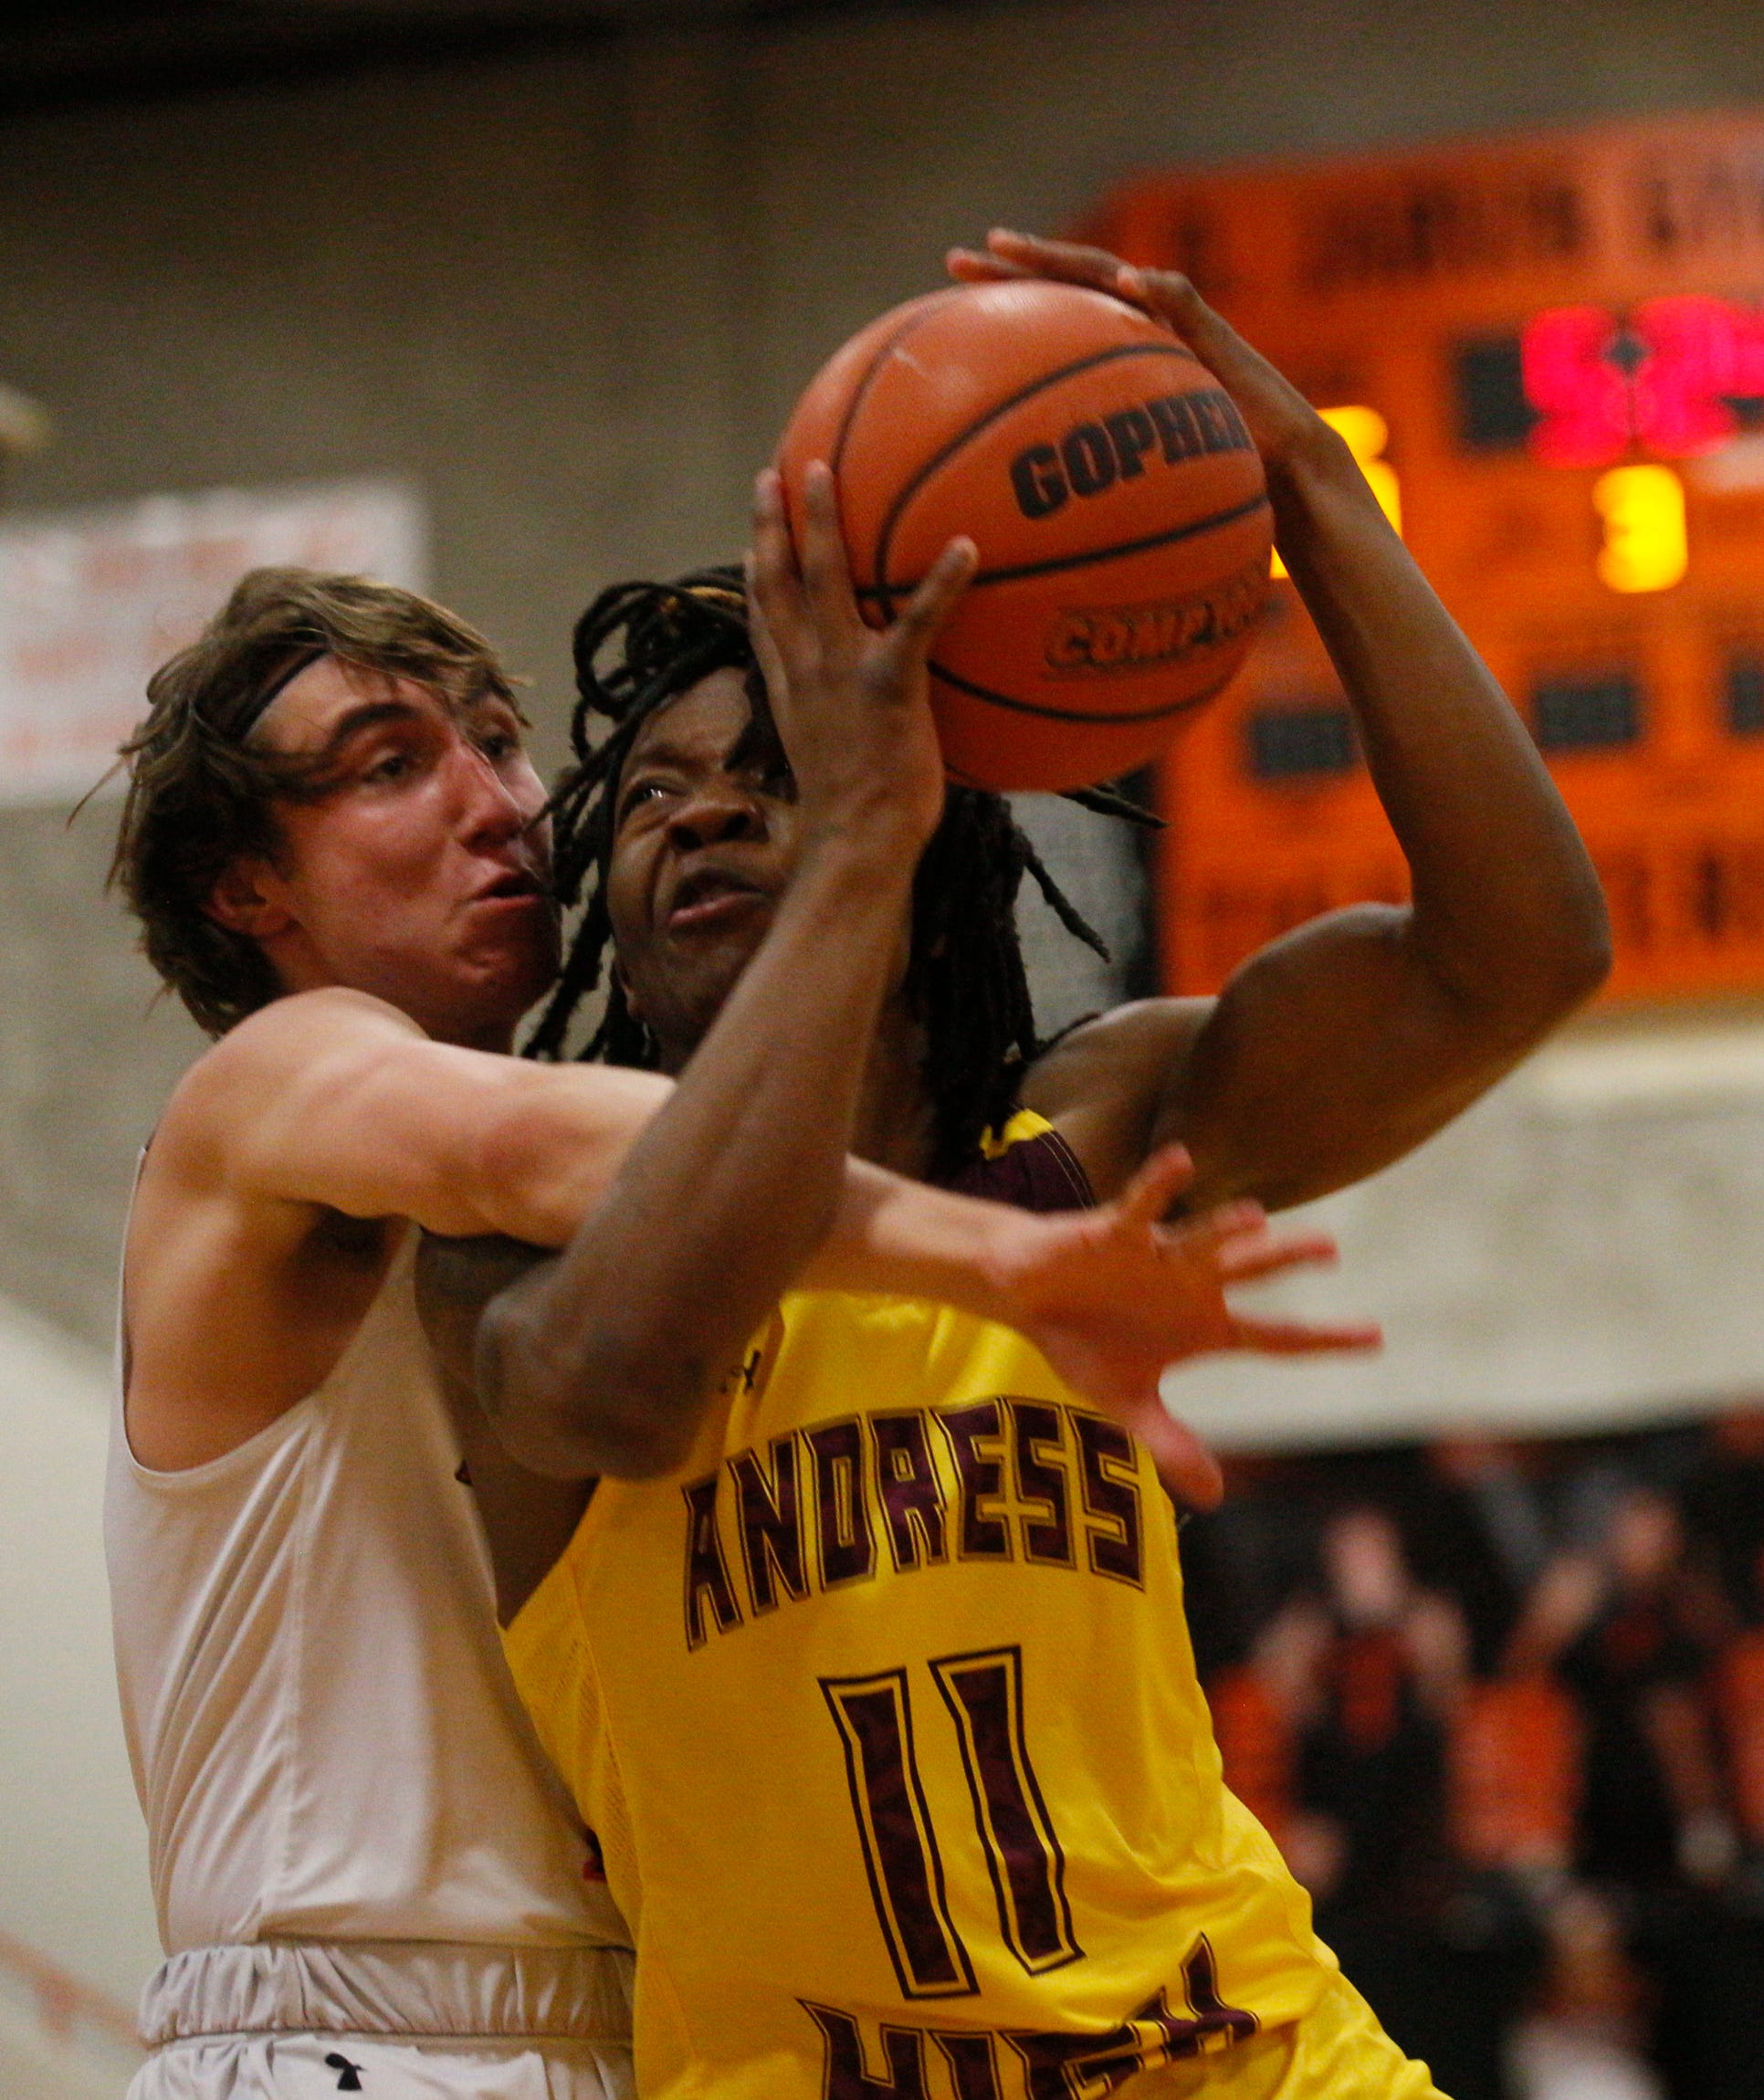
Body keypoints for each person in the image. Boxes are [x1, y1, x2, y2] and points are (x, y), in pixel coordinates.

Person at [427, 234, 1612, 2099]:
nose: (711, 807)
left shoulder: (1101, 1127)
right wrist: (851, 841)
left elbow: (1518, 954)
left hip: (1255, 2062)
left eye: (777, 768)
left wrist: (1309, 494)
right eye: (650, 794)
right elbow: (622, 1385)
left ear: (942, 846)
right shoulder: (514, 1240)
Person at [106, 547, 1359, 2099]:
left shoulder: (605, 1225)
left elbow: (709, 1182)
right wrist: (1000, 1253)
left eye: (498, 740)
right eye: (388, 768)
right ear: (249, 890)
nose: (493, 800)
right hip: (353, 2028)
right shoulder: (280, 1078)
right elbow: (529, 1143)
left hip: (619, 2028)